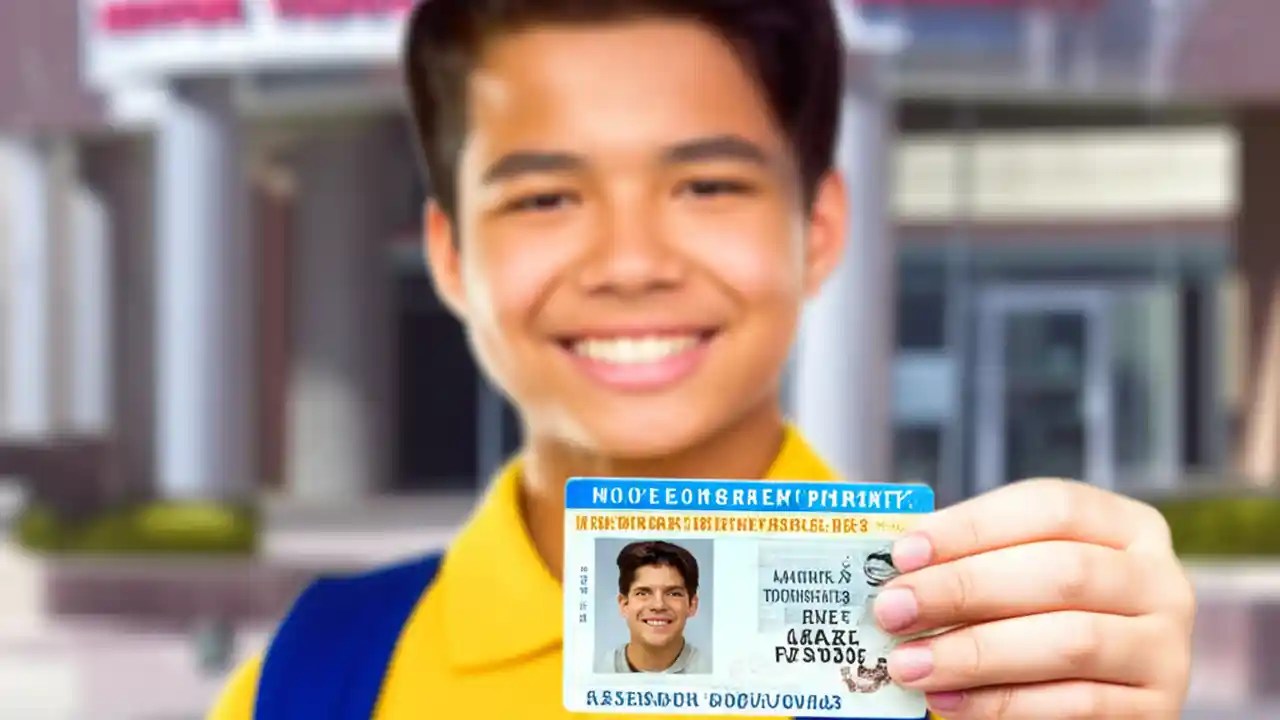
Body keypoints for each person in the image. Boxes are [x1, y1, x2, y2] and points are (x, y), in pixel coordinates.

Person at [209, 0, 1196, 717]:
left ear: (817, 227)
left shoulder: (977, 663)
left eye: (707, 186)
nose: (631, 264)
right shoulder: (313, 679)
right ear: (451, 255)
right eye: (545, 198)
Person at [607, 541, 710, 674]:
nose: (658, 605)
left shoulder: (714, 671)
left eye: (673, 594)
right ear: (624, 604)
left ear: (692, 605)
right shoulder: (598, 669)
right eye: (643, 593)